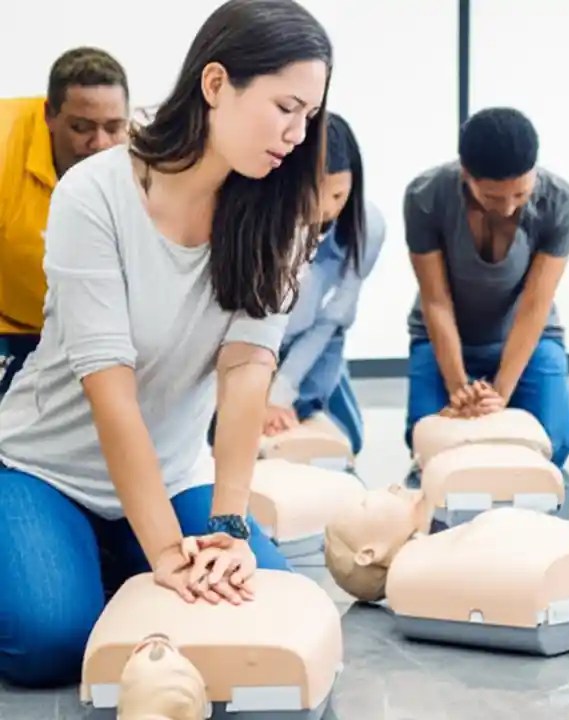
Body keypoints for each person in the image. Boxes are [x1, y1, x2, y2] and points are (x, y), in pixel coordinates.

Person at [0, 0, 332, 688]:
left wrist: (230, 528)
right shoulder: (96, 193)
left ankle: (108, 556)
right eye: (285, 108)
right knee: (51, 643)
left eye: (310, 116)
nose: (298, 135)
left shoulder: (283, 214)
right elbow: (109, 387)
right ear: (216, 84)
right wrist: (166, 551)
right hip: (44, 468)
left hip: (176, 471)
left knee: (263, 602)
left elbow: (245, 371)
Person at [403, 107, 569, 468]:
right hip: (445, 333)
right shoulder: (426, 196)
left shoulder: (559, 201)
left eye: (521, 194)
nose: (509, 208)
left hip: (528, 334)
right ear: (467, 175)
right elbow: (436, 302)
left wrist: (498, 397)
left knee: (552, 444)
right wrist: (459, 391)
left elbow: (535, 305)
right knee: (428, 444)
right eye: (493, 198)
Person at [0, 47, 129, 396]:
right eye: (81, 127)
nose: (100, 144)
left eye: (114, 127)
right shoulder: (5, 142)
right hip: (9, 323)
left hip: (85, 332)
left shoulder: (146, 165)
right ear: (49, 115)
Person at [264, 111, 384, 455]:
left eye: (339, 195)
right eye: (314, 194)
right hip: (249, 342)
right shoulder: (261, 222)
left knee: (346, 441)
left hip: (313, 340)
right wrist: (260, 396)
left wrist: (281, 393)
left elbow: (332, 320)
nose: (325, 210)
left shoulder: (367, 226)